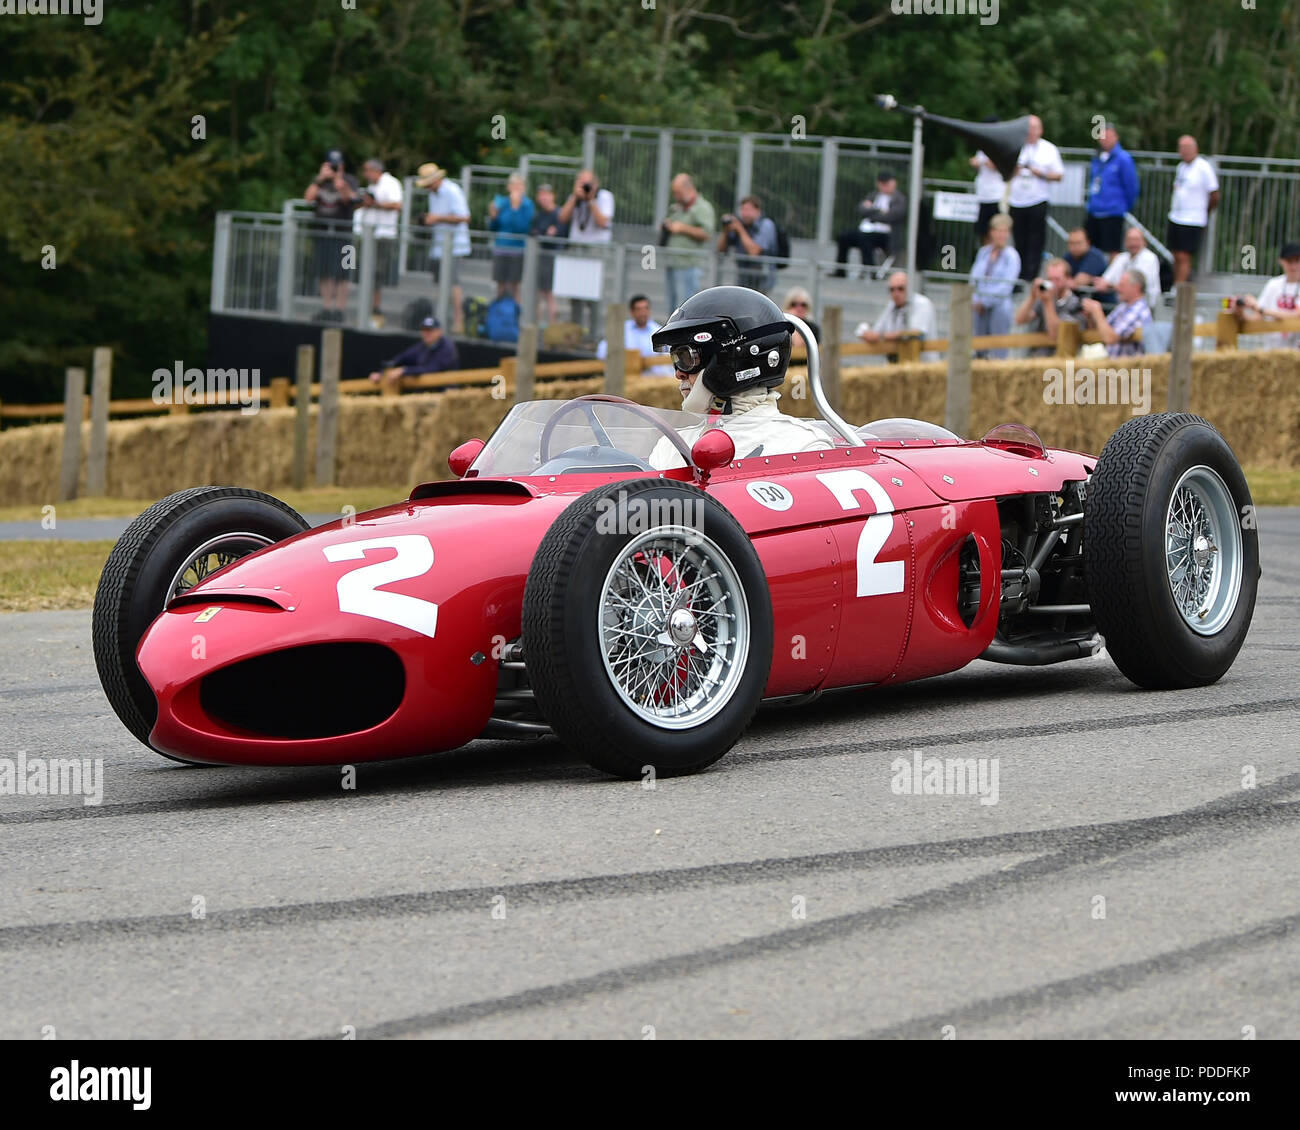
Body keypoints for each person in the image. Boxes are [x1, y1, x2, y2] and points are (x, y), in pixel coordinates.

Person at [647, 286, 833, 469]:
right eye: (676, 360)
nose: (679, 373)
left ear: (735, 359)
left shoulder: (803, 447)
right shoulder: (670, 447)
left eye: (687, 358)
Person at [558, 168, 615, 339]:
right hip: (577, 248)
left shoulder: (604, 197)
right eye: (581, 183)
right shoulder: (574, 198)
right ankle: (576, 334)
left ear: (596, 184)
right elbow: (562, 218)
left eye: (588, 184)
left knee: (593, 295)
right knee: (575, 294)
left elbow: (603, 221)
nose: (585, 187)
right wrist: (575, 197)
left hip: (595, 249)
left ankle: (594, 336)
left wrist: (590, 201)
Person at [304, 149, 359, 322]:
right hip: (322, 234)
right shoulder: (320, 181)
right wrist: (319, 179)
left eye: (336, 165)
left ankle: (340, 310)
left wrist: (339, 182)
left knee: (344, 273)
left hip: (345, 236)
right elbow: (308, 198)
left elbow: (349, 200)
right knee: (324, 272)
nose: (334, 168)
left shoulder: (350, 180)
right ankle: (327, 308)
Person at [1008, 116, 1064, 282]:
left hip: (1037, 200)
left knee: (1035, 240)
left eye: (1035, 128)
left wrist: (1042, 173)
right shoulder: (1016, 146)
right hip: (1016, 200)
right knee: (1018, 240)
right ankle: (1018, 276)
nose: (1031, 132)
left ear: (1040, 130)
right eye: (1029, 129)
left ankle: (1031, 276)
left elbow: (1059, 175)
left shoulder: (1049, 149)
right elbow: (1004, 172)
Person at [417, 162, 471, 334]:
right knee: (440, 282)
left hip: (454, 246)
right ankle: (440, 318)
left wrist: (437, 218)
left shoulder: (452, 191)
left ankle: (458, 319)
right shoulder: (433, 195)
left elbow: (464, 217)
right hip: (439, 246)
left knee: (453, 282)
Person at [353, 158, 404, 328]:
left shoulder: (390, 183)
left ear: (376, 170)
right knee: (366, 271)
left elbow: (397, 205)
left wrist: (374, 204)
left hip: (383, 235)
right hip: (369, 236)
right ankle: (367, 307)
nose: (365, 174)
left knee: (377, 272)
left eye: (367, 170)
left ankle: (375, 308)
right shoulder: (371, 187)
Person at [1167, 135, 1220, 284]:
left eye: (1188, 148)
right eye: (1182, 148)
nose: (1185, 151)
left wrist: (1204, 211)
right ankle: (1175, 286)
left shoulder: (1203, 167)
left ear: (1195, 149)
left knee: (1184, 255)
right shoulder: (1181, 167)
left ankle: (1181, 288)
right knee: (1176, 254)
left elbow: (1214, 194)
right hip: (1176, 216)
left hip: (1193, 219)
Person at [662, 173, 716, 311]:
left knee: (687, 306)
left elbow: (707, 233)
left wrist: (682, 228)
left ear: (689, 189)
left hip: (690, 264)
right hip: (673, 262)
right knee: (672, 307)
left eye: (678, 192)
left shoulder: (702, 208)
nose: (675, 196)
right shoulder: (677, 208)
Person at [835, 170, 906, 276]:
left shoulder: (899, 199)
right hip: (866, 230)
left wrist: (871, 213)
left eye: (886, 183)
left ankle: (870, 272)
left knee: (865, 239)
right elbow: (861, 209)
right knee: (844, 236)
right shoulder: (874, 195)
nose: (884, 187)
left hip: (886, 234)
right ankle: (840, 271)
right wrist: (878, 210)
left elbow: (892, 216)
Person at [858, 271, 940, 362]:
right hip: (899, 366)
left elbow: (914, 334)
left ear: (909, 288)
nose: (896, 293)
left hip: (923, 367)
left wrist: (879, 337)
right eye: (892, 289)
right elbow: (877, 331)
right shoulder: (891, 306)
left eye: (901, 289)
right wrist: (867, 334)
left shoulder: (923, 304)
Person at [970, 214, 1021, 359]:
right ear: (991, 232)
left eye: (1004, 231)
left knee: (999, 345)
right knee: (979, 343)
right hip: (979, 306)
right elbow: (974, 278)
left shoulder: (1012, 256)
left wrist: (985, 302)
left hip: (999, 304)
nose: (1000, 235)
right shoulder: (983, 252)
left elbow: (1007, 285)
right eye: (998, 231)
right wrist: (976, 300)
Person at [1085, 126, 1139, 259]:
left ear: (1116, 137)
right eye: (1102, 137)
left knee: (1112, 249)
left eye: (1109, 136)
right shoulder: (1098, 157)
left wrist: (1123, 206)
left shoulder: (1123, 158)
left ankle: (1112, 278)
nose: (1105, 140)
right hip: (1095, 210)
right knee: (1090, 247)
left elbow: (1131, 186)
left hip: (1112, 211)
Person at [1014, 258, 1083, 357]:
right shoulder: (1045, 298)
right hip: (1037, 356)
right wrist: (1032, 296)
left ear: (1068, 279)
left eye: (1057, 279)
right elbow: (1020, 320)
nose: (1053, 284)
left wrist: (1048, 303)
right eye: (1050, 279)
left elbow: (1056, 334)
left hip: (1060, 360)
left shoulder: (1075, 304)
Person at [1236, 241, 1300, 348]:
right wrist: (1241, 312)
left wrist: (1260, 309)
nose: (1293, 266)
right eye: (1289, 261)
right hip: (1271, 353)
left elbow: (1296, 315)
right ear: (1281, 261)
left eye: (1297, 261)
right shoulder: (1273, 285)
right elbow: (1256, 319)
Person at [1080, 270, 1153, 357]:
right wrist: (1091, 317)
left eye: (1122, 285)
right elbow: (1103, 330)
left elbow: (1110, 338)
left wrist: (1097, 311)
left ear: (1136, 287)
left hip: (1129, 367)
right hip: (1115, 366)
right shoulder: (1123, 307)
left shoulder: (1138, 310)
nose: (1118, 288)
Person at [716, 194, 778, 294]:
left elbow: (754, 252)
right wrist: (726, 231)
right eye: (743, 210)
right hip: (743, 281)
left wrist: (740, 229)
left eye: (748, 210)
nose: (744, 214)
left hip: (762, 282)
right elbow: (720, 250)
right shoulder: (741, 225)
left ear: (758, 211)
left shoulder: (766, 225)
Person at [487, 172, 534, 302]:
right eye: (514, 185)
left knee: (514, 285)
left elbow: (522, 228)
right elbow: (493, 227)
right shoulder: (501, 202)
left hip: (517, 251)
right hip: (501, 248)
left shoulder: (527, 205)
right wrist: (493, 216)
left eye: (520, 186)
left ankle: (514, 316)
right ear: (509, 187)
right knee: (500, 284)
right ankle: (500, 313)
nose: (517, 188)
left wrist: (515, 208)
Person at [597, 294, 672, 376]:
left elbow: (667, 359)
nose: (643, 313)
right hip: (625, 377)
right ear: (632, 312)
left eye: (646, 308)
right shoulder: (621, 330)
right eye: (639, 309)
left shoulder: (658, 331)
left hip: (651, 379)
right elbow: (602, 352)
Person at [368, 317, 459, 383]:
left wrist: (404, 371)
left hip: (443, 394)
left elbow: (432, 369)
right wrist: (383, 373)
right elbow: (400, 359)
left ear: (439, 332)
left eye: (430, 330)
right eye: (424, 330)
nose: (426, 333)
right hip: (425, 394)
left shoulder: (447, 347)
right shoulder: (422, 346)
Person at [1095, 226, 1162, 309]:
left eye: (1136, 240)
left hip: (1146, 307)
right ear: (1125, 242)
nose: (1133, 243)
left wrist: (1111, 285)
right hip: (1124, 305)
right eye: (1130, 240)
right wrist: (1106, 283)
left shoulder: (1150, 258)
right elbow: (1105, 280)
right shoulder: (1121, 257)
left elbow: (1136, 286)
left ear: (1144, 242)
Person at [530, 183, 565, 325]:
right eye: (541, 195)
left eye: (546, 194)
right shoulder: (539, 215)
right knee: (538, 293)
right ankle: (536, 326)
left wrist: (543, 233)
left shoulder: (559, 213)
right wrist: (545, 233)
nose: (544, 198)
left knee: (549, 293)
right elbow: (534, 232)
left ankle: (551, 326)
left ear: (553, 196)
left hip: (552, 257)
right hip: (541, 256)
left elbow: (557, 234)